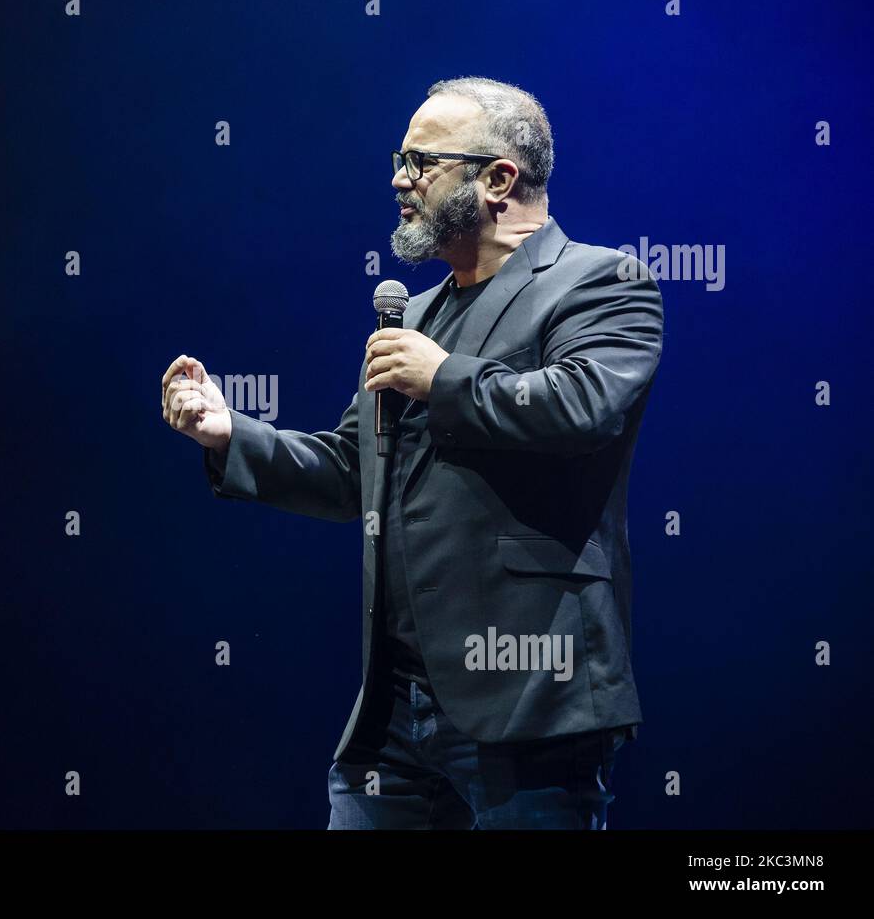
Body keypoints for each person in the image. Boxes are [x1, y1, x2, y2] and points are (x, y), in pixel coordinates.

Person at [161, 76, 663, 829]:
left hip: (529, 694)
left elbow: (579, 409)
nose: (399, 179)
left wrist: (442, 378)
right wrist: (230, 434)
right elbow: (353, 471)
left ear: (499, 179)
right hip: (394, 711)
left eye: (422, 162)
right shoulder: (418, 313)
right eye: (400, 159)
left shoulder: (603, 284)